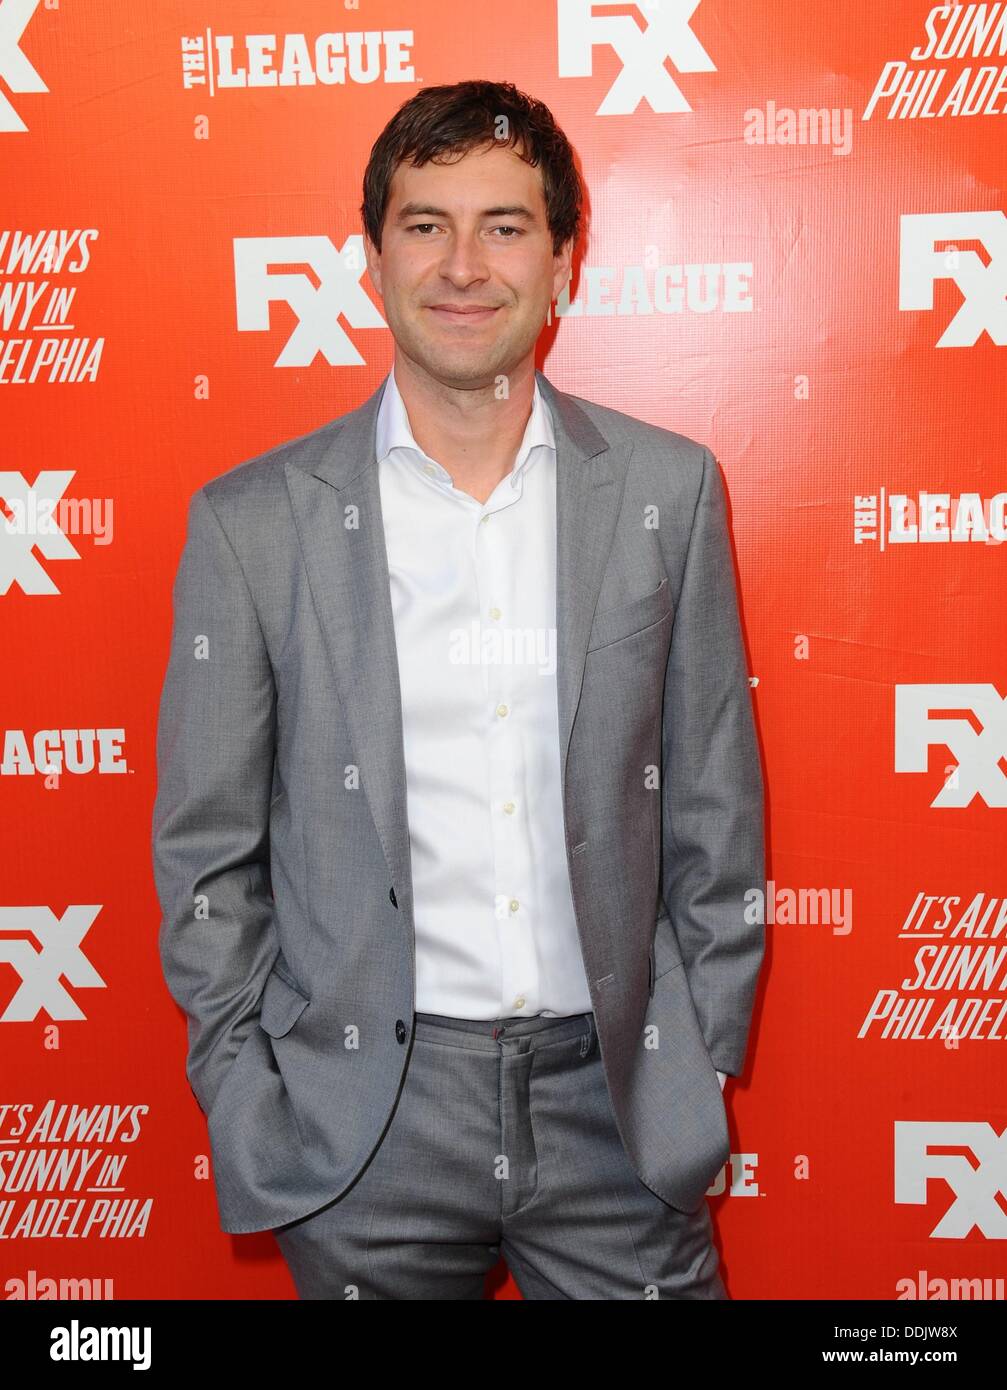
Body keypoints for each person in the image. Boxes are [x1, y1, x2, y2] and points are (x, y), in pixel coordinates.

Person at [152, 79, 765, 1300]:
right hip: (362, 1121)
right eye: (425, 224)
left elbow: (713, 800)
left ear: (561, 259)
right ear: (371, 257)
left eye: (504, 224)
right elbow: (206, 850)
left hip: (617, 1104)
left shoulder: (666, 491)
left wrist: (692, 1040)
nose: (462, 266)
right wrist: (248, 1083)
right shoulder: (251, 524)